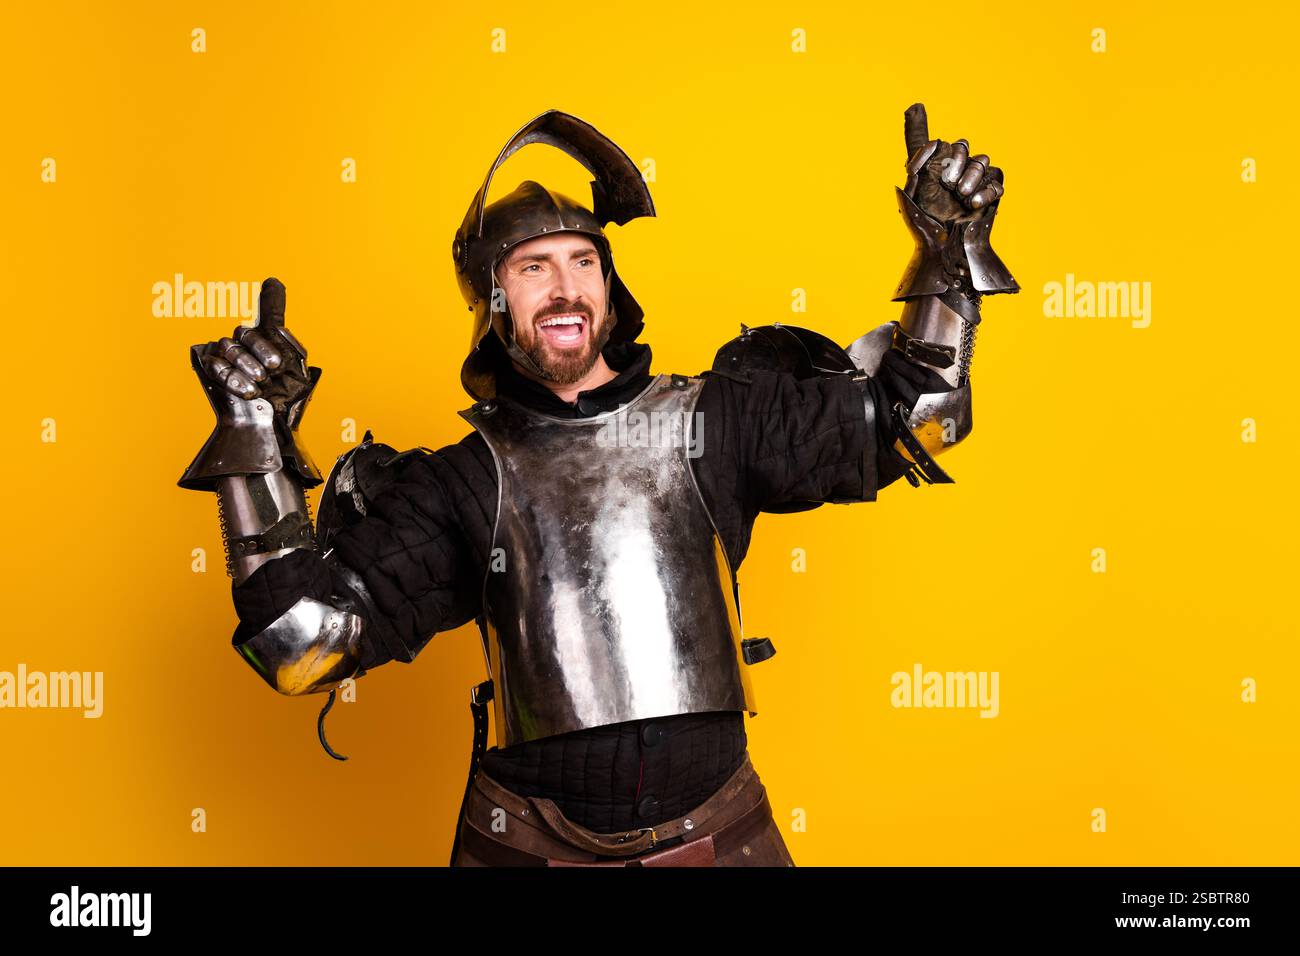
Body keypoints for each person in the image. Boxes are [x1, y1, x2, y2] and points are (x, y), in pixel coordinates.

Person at [177, 106, 1017, 867]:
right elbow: (300, 643)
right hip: (529, 848)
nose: (566, 284)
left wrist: (946, 255)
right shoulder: (463, 480)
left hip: (718, 834)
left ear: (610, 292)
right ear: (494, 301)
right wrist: (253, 434)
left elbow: (923, 417)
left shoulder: (718, 421)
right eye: (533, 267)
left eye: (584, 261)